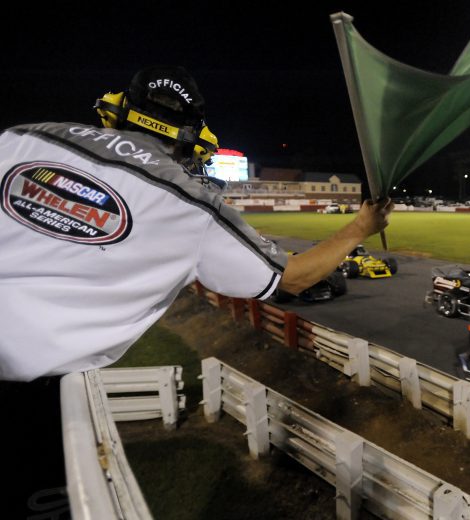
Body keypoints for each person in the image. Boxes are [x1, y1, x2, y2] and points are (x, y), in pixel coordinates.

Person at [0, 65, 392, 515]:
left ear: (117, 107)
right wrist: (362, 226)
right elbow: (293, 277)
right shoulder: (193, 204)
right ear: (195, 137)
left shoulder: (22, 137)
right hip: (27, 397)